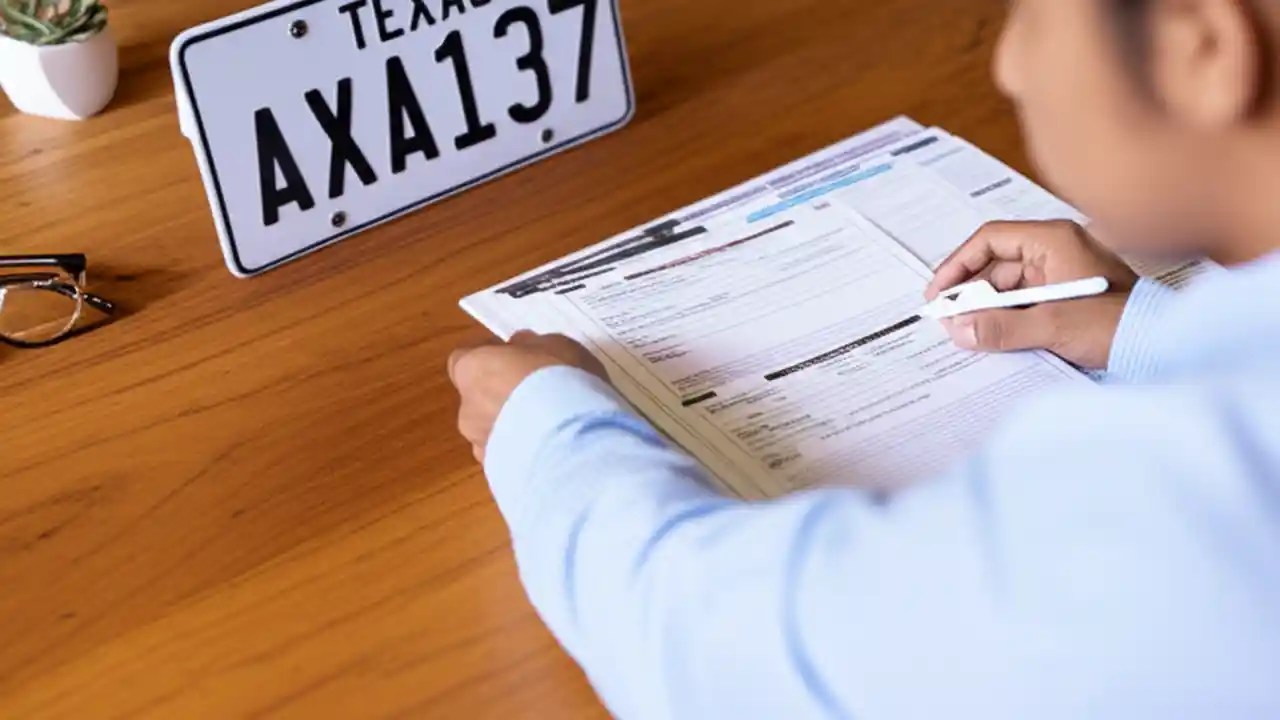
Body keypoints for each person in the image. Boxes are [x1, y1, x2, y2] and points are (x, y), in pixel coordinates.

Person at [447, 0, 1280, 717]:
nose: (1009, 65)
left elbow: (716, 653)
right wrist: (1142, 331)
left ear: (1201, 46)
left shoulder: (1178, 510)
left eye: (1031, 14)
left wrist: (548, 429)